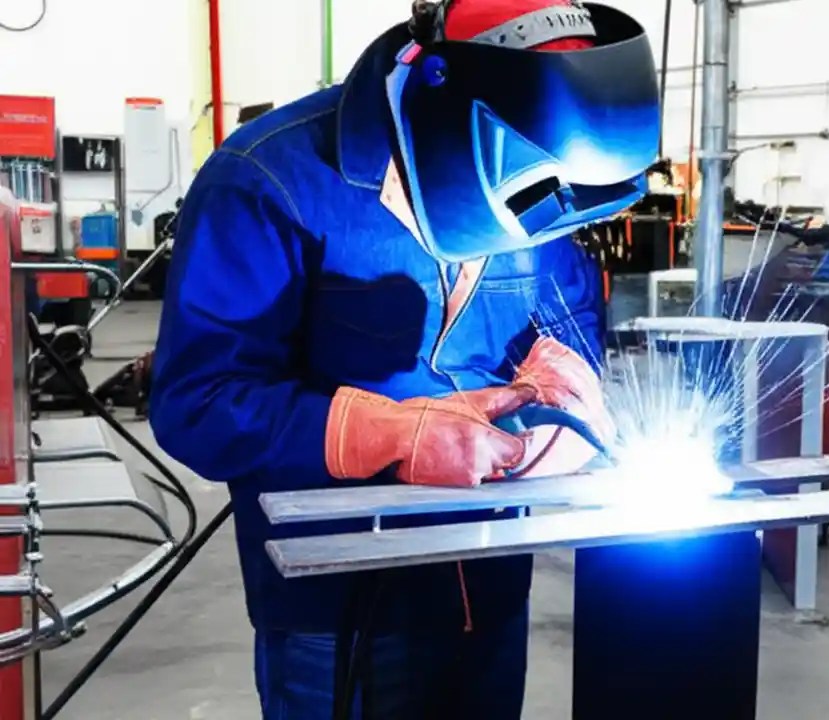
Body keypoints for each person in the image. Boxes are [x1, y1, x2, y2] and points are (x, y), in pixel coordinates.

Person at [149, 0, 659, 716]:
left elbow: (568, 314)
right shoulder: (269, 178)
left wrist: (567, 387)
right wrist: (385, 434)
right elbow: (196, 405)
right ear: (446, 86)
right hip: (338, 609)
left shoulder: (541, 159)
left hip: (491, 583)